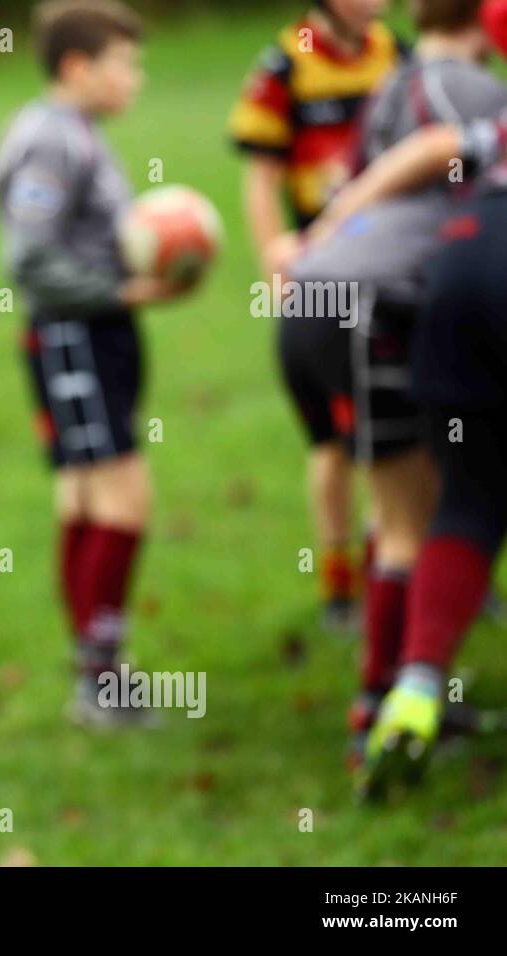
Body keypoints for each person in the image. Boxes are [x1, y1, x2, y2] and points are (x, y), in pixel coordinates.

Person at [305, 0, 507, 795]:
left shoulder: (404, 87)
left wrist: (326, 222)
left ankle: (411, 694)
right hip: (391, 298)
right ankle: (385, 696)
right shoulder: (467, 85)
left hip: (447, 275)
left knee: (467, 497)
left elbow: (421, 155)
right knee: (414, 511)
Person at [0, 0, 196, 727]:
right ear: (79, 67)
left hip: (91, 334)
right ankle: (102, 681)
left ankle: (95, 674)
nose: (135, 77)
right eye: (125, 63)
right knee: (122, 496)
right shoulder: (52, 142)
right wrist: (121, 289)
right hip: (76, 334)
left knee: (84, 494)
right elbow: (28, 255)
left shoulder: (74, 132)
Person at [228, 0, 405, 629]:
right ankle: (340, 583)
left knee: (405, 439)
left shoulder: (396, 53)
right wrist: (275, 265)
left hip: (393, 271)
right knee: (334, 441)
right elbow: (260, 176)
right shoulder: (286, 62)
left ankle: (413, 569)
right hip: (322, 272)